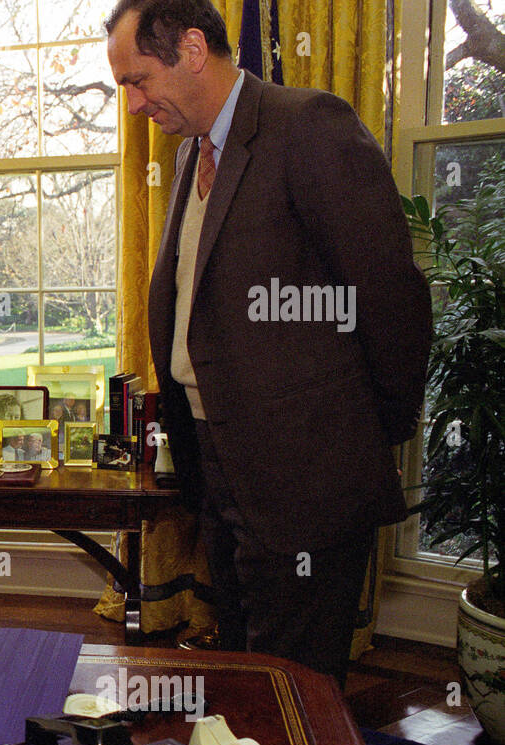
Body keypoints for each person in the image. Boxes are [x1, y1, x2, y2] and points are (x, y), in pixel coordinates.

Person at [105, 0, 431, 682]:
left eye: (137, 80)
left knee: (297, 682)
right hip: (219, 465)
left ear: (193, 50)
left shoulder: (307, 128)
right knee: (249, 668)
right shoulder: (194, 151)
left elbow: (389, 299)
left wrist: (371, 437)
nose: (133, 105)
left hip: (307, 477)